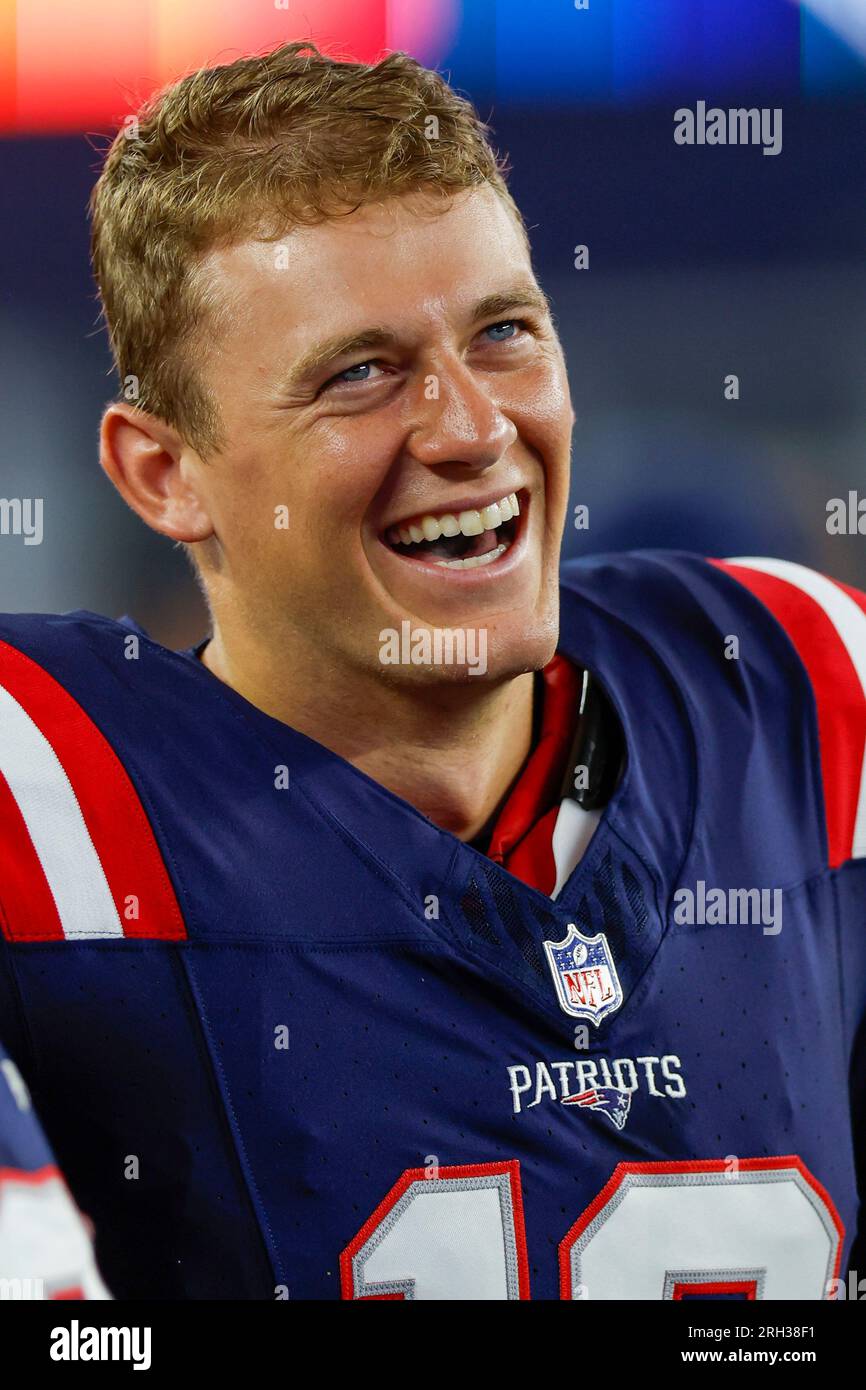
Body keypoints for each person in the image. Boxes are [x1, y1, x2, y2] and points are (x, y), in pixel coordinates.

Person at [0, 41, 863, 1300]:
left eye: (504, 332)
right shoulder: (56, 808)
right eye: (359, 373)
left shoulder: (793, 691)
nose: (470, 429)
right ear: (163, 473)